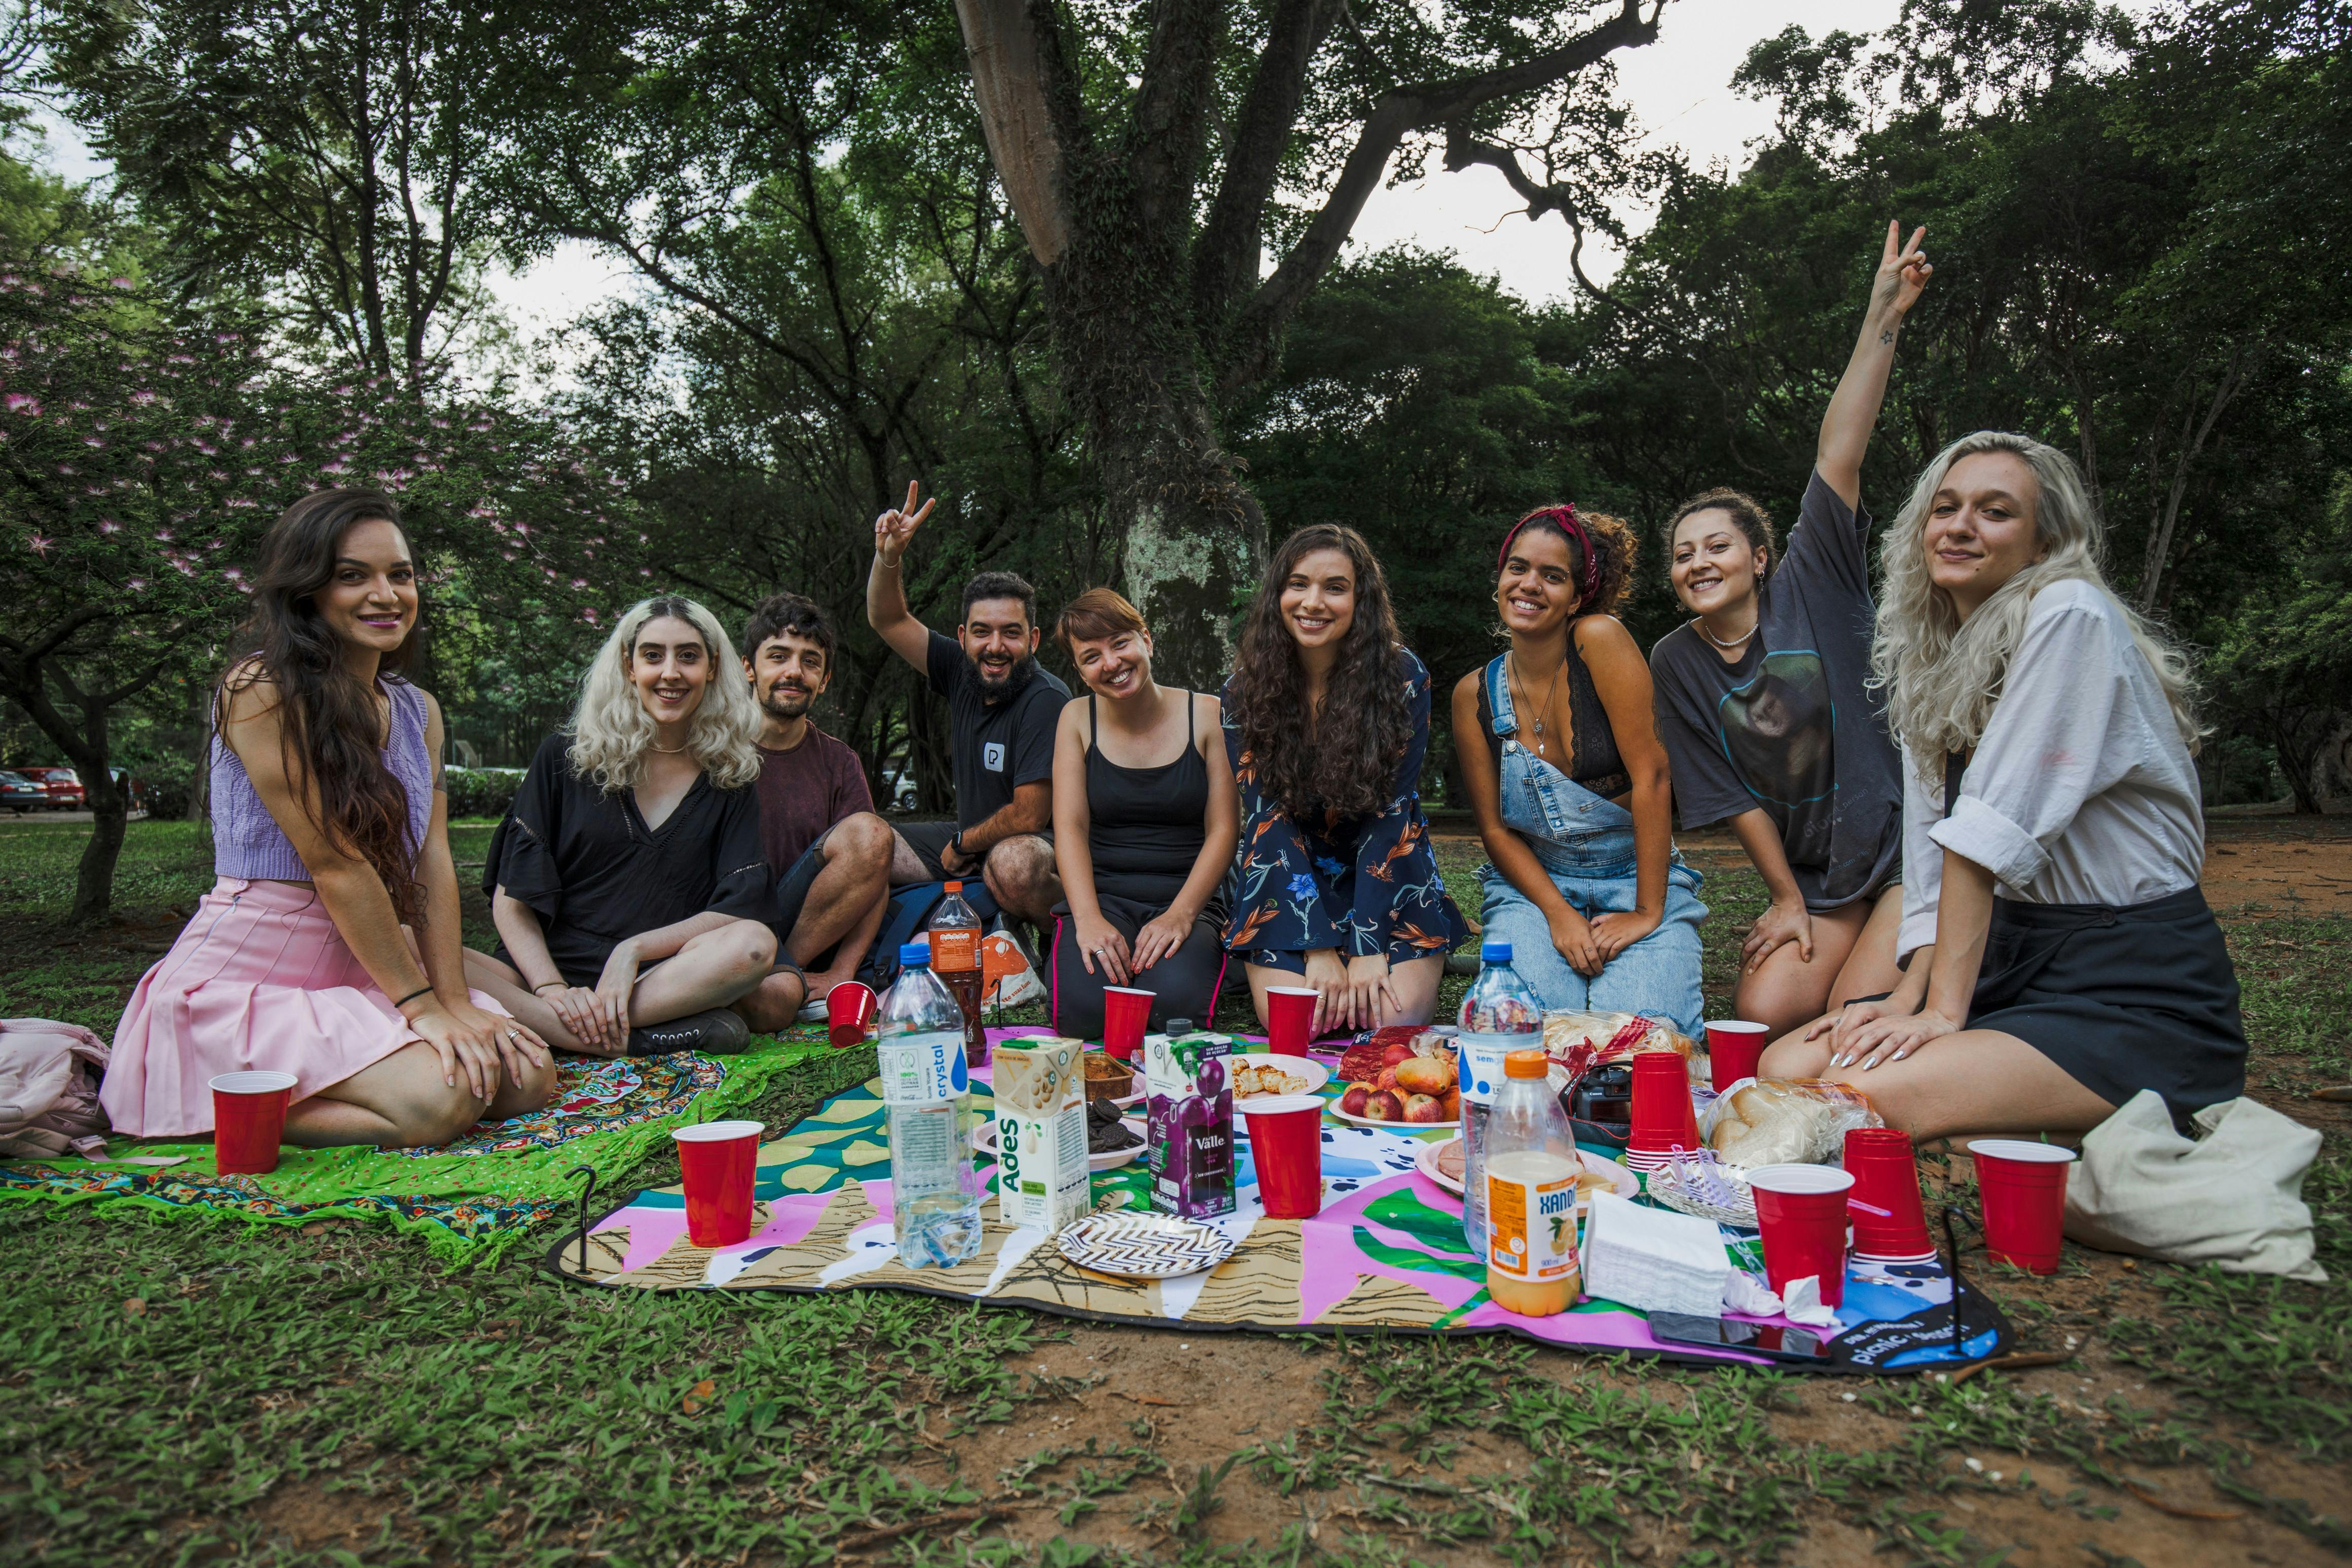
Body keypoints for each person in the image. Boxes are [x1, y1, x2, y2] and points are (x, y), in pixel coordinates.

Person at [1758, 432, 2247, 1141]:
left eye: (1994, 512)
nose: (1958, 526)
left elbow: (1984, 836)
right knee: (1783, 1063)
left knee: (1839, 1098)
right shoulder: (1935, 656)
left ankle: (2126, 1089)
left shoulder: (2070, 613)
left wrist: (1939, 1014)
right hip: (2004, 959)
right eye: (1945, 507)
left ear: (2045, 543)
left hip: (2124, 984)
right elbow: (1929, 864)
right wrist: (1904, 997)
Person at [102, 489, 555, 1150]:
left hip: (360, 968)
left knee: (525, 1075)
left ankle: (302, 1081)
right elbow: (336, 863)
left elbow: (429, 862)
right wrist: (421, 1009)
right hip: (249, 981)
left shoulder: (415, 709)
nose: (385, 594)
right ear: (307, 590)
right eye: (353, 576)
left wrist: (454, 1002)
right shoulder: (259, 689)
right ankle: (189, 1093)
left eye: (399, 575)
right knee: (441, 1101)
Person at [1648, 222, 1929, 1035]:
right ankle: (1892, 957)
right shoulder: (1676, 659)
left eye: (1716, 546)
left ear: (1761, 556)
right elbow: (1729, 794)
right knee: (1763, 1009)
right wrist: (1784, 897)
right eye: (1681, 554)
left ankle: (1942, 961)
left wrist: (1883, 316)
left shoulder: (1816, 578)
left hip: (1909, 850)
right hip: (1825, 876)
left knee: (1850, 1019)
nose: (1697, 562)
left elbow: (1838, 451)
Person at [463, 597, 779, 1056]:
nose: (670, 672)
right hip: (541, 971)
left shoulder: (731, 774)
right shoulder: (564, 756)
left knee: (754, 946)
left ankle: (563, 1032)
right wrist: (550, 985)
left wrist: (631, 950)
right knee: (414, 947)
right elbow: (511, 900)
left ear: (712, 669)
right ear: (629, 667)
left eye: (688, 656)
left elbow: (737, 908)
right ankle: (623, 1035)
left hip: (653, 977)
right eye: (653, 655)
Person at [1452, 506, 1707, 1033]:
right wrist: (1558, 914)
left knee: (1643, 1041)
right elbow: (1495, 831)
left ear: (1577, 595)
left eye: (1552, 576)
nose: (1529, 586)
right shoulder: (1471, 695)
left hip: (1636, 874)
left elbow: (1653, 778)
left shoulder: (1599, 639)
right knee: (1523, 1033)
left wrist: (1646, 912)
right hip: (1534, 888)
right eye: (1517, 568)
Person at [1224, 525, 1468, 1035]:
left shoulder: (1403, 679)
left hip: (1386, 869)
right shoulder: (1242, 692)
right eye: (1298, 584)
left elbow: (1391, 813)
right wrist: (1315, 944)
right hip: (1286, 871)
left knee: (1391, 1021)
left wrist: (1366, 945)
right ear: (1277, 594)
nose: (1313, 602)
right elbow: (1268, 820)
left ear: (1362, 600)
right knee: (1297, 1024)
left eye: (1335, 587)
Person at [865, 481, 1066, 926]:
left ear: (1032, 639)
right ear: (963, 637)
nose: (995, 646)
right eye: (982, 631)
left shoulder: (1046, 698)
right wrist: (889, 557)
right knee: (861, 840)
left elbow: (1030, 813)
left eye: (1011, 632)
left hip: (1036, 848)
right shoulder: (959, 670)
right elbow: (887, 618)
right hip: (972, 843)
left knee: (1013, 866)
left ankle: (1062, 943)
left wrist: (961, 844)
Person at [1048, 589, 1239, 1037]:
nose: (1111, 663)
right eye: (1091, 656)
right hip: (1104, 896)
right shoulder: (1076, 719)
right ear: (1079, 671)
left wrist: (1181, 914)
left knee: (1171, 1010)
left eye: (1120, 643)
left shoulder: (1208, 713)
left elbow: (1225, 829)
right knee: (1084, 1013)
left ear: (1147, 640)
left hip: (1186, 896)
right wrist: (1089, 919)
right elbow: (1070, 828)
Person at [733, 592, 895, 1031]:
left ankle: (778, 974)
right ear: (748, 667)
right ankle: (744, 984)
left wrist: (843, 972)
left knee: (872, 834)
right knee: (762, 1006)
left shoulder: (839, 761)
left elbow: (873, 871)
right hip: (723, 927)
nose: (793, 672)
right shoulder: (713, 750)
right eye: (778, 656)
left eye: (810, 661)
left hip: (797, 932)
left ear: (823, 680)